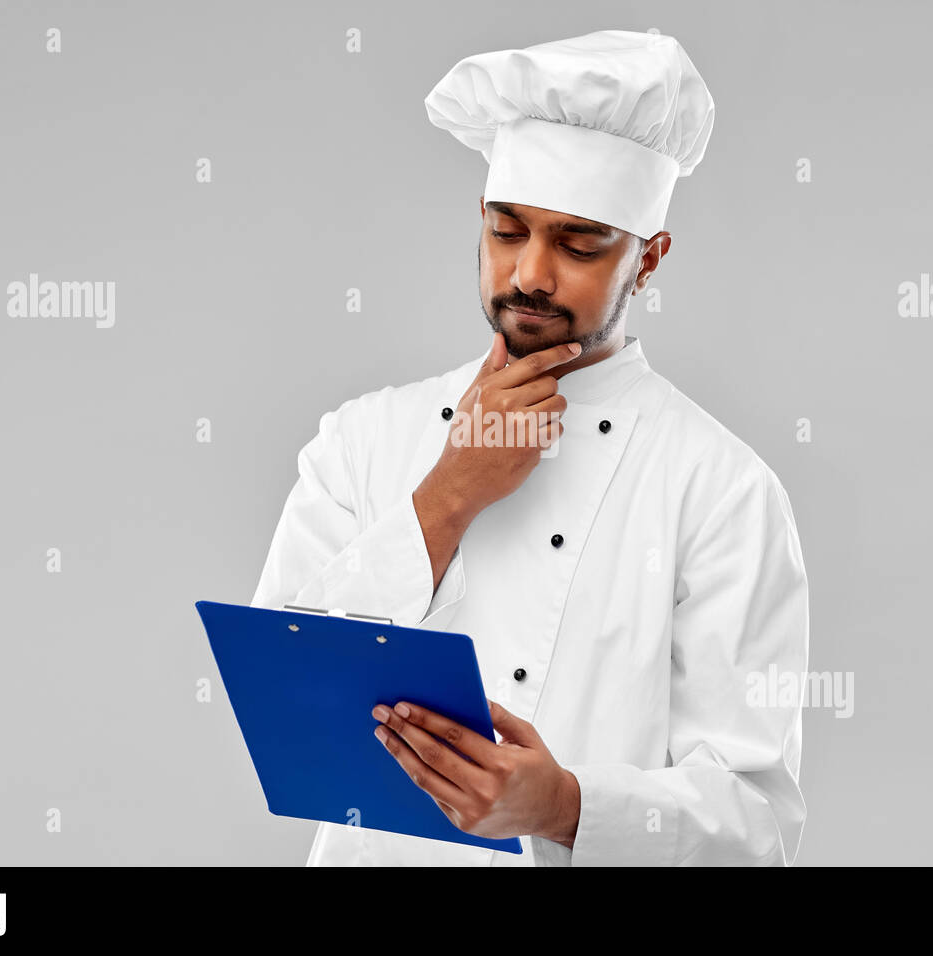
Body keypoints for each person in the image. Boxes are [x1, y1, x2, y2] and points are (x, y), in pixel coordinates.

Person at [250, 29, 809, 866]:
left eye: (580, 244)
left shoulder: (720, 487)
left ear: (648, 260)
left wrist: (567, 805)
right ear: (481, 220)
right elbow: (278, 699)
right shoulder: (364, 440)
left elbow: (756, 823)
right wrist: (449, 494)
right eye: (509, 232)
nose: (531, 276)